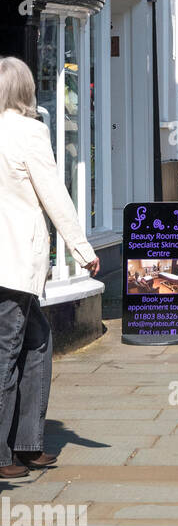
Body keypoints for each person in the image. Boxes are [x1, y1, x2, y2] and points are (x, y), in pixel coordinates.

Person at [0, 57, 101, 479]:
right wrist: (81, 247)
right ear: (26, 90)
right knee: (8, 351)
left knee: (36, 341)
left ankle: (27, 442)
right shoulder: (29, 131)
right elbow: (54, 195)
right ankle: (7, 453)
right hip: (13, 260)